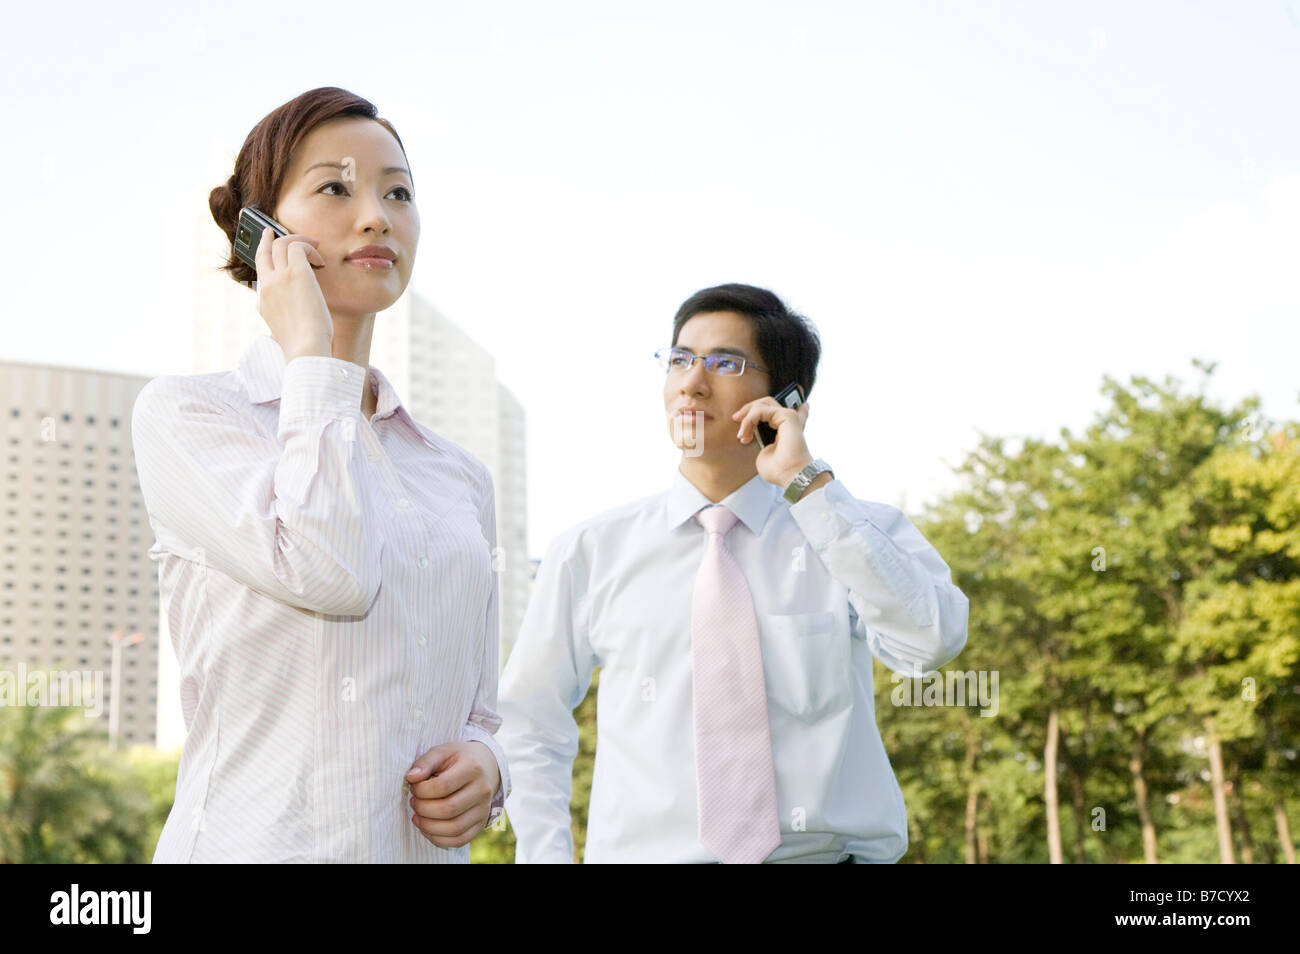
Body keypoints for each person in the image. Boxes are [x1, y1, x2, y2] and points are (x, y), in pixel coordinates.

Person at [133, 87, 508, 862]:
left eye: (398, 191)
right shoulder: (187, 418)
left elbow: (479, 711)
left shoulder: (458, 475)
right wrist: (310, 355)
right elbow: (330, 570)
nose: (377, 215)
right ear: (261, 232)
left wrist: (488, 768)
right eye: (335, 187)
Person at [497, 283, 969, 863]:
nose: (692, 382)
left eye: (725, 363)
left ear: (787, 399)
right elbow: (530, 722)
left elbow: (929, 642)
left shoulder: (850, 530)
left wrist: (808, 486)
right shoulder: (590, 551)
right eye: (679, 360)